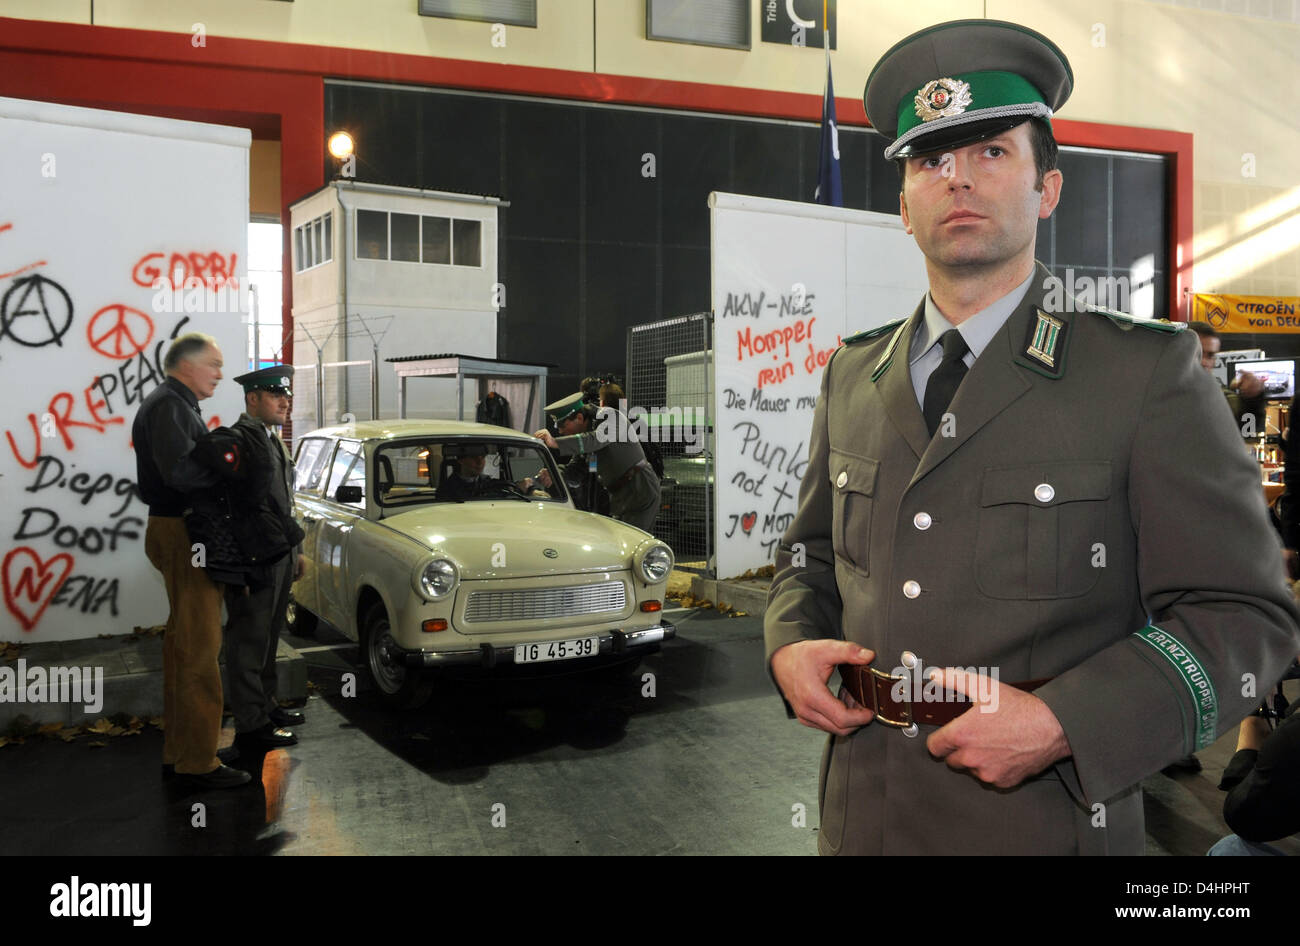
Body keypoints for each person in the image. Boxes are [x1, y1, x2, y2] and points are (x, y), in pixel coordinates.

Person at [763, 18, 1300, 855]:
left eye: (991, 152)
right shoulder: (851, 376)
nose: (957, 179)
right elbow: (810, 559)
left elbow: (1244, 617)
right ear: (902, 207)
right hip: (864, 814)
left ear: (1048, 188)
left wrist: (1064, 723)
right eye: (929, 161)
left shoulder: (1141, 375)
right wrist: (790, 644)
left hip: (1045, 822)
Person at [132, 333, 250, 789]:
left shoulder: (174, 404)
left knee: (184, 645)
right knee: (200, 648)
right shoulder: (170, 406)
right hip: (184, 534)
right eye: (213, 364)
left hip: (177, 531)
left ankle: (180, 753)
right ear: (186, 366)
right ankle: (198, 763)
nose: (220, 374)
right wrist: (228, 466)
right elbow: (180, 473)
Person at [192, 366, 306, 750]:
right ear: (252, 399)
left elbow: (284, 503)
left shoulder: (272, 439)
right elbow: (236, 506)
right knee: (248, 640)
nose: (285, 402)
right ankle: (251, 724)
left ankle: (267, 706)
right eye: (276, 395)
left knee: (270, 637)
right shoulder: (242, 439)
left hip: (279, 552)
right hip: (256, 557)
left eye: (287, 396)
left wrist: (297, 551)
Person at [533, 392, 659, 532]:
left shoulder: (610, 417)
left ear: (579, 418)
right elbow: (575, 471)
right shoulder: (585, 440)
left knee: (632, 539)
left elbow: (596, 439)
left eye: (563, 426)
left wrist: (555, 442)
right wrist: (553, 474)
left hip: (640, 489)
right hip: (619, 495)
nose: (561, 432)